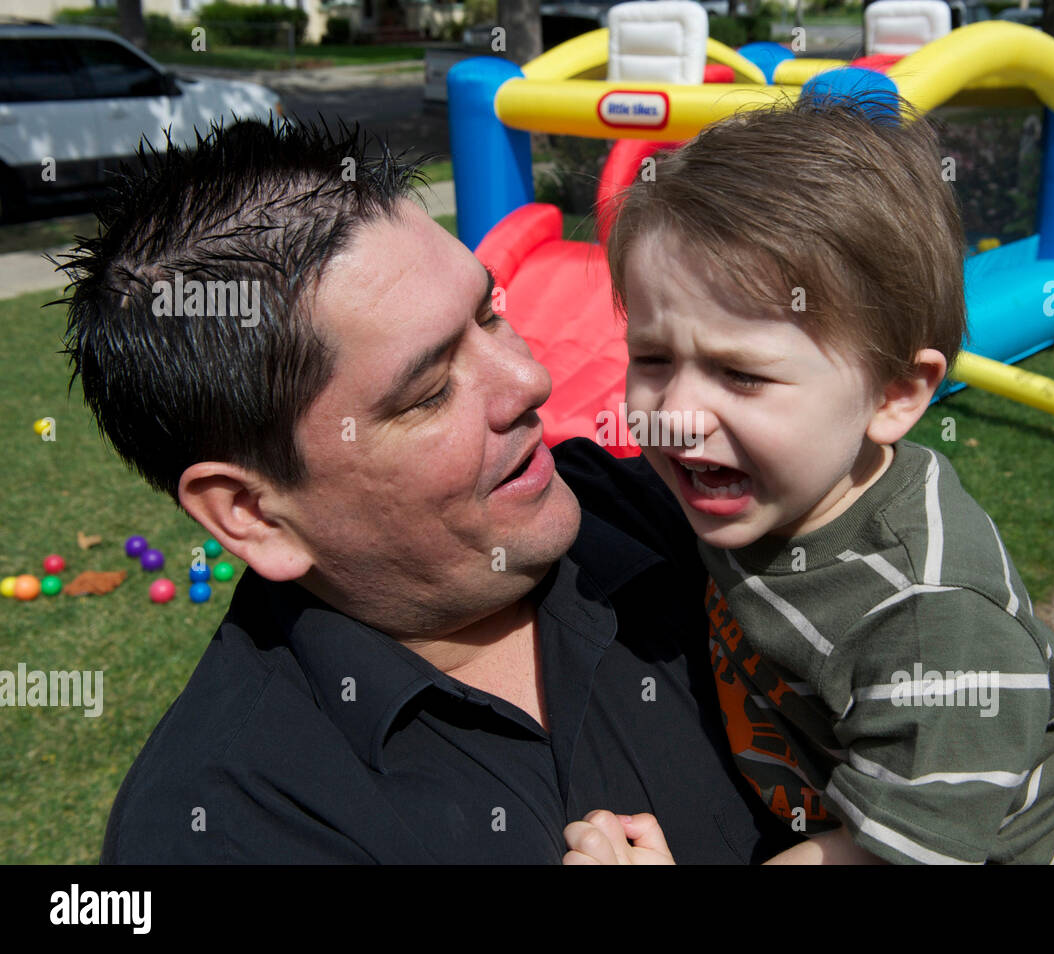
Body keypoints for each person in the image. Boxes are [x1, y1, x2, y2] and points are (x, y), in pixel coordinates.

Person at [61, 119, 799, 863]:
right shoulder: (231, 830)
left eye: (491, 315)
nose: (531, 380)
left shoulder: (683, 517)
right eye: (429, 392)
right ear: (254, 515)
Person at [563, 94, 1054, 865]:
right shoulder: (764, 488)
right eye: (653, 359)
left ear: (895, 393)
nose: (679, 416)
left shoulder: (931, 626)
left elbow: (889, 860)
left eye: (743, 374)